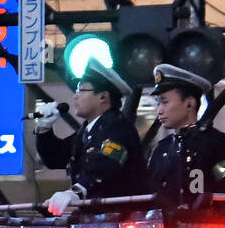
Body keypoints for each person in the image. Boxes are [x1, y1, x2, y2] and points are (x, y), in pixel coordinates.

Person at [37, 63, 148, 214]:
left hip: (123, 219)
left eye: (81, 90)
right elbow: (54, 158)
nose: (75, 96)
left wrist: (77, 191)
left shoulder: (118, 127)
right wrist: (44, 129)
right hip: (98, 219)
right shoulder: (87, 131)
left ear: (103, 96)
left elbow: (107, 163)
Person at [146, 65, 225, 207]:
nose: (159, 110)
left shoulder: (215, 143)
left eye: (165, 102)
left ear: (190, 104)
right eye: (158, 103)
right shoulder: (161, 149)